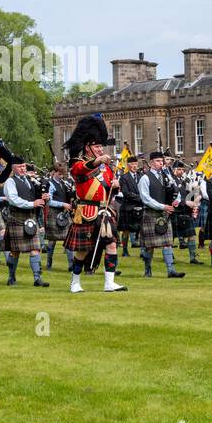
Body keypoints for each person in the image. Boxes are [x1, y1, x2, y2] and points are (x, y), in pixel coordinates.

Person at [62, 114, 128, 293]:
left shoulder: (106, 168)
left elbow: (108, 190)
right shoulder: (77, 163)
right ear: (87, 147)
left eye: (101, 146)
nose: (100, 149)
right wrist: (98, 161)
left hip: (104, 210)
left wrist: (115, 186)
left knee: (111, 245)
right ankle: (75, 282)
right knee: (83, 250)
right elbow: (81, 170)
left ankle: (109, 283)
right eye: (97, 146)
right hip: (86, 211)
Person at [137, 149, 186, 278]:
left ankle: (171, 270)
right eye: (158, 161)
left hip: (164, 214)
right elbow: (145, 199)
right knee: (150, 245)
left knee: (168, 243)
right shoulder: (145, 178)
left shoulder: (167, 177)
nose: (161, 163)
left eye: (161, 161)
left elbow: (176, 191)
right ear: (151, 163)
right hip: (151, 213)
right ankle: (148, 270)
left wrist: (176, 201)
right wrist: (163, 206)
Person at [2, 156, 49, 287]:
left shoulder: (29, 180)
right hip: (17, 218)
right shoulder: (10, 182)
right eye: (19, 167)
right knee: (15, 251)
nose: (23, 169)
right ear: (13, 168)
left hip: (31, 218)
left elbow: (34, 197)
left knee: (35, 248)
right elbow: (13, 199)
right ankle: (11, 277)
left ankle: (37, 278)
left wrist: (43, 198)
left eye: (23, 166)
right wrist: (32, 204)